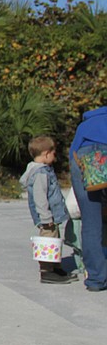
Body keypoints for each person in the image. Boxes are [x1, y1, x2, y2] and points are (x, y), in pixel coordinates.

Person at [20, 135, 76, 284]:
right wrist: (45, 217)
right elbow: (40, 198)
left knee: (55, 241)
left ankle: (56, 267)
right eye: (53, 153)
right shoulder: (40, 173)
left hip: (52, 216)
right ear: (46, 154)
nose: (55, 156)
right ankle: (46, 271)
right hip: (47, 218)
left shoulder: (44, 170)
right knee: (47, 242)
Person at [68, 106, 107, 292]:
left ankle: (96, 280)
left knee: (91, 224)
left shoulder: (85, 125)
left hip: (83, 162)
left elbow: (72, 154)